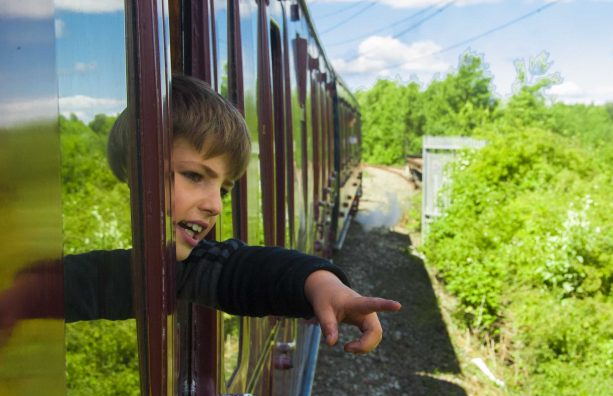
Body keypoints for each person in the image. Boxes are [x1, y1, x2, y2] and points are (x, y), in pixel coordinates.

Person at [4, 76, 400, 352]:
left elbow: (238, 269)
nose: (214, 204)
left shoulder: (173, 268)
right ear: (134, 173)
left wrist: (321, 284)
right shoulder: (85, 273)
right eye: (195, 176)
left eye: (223, 188)